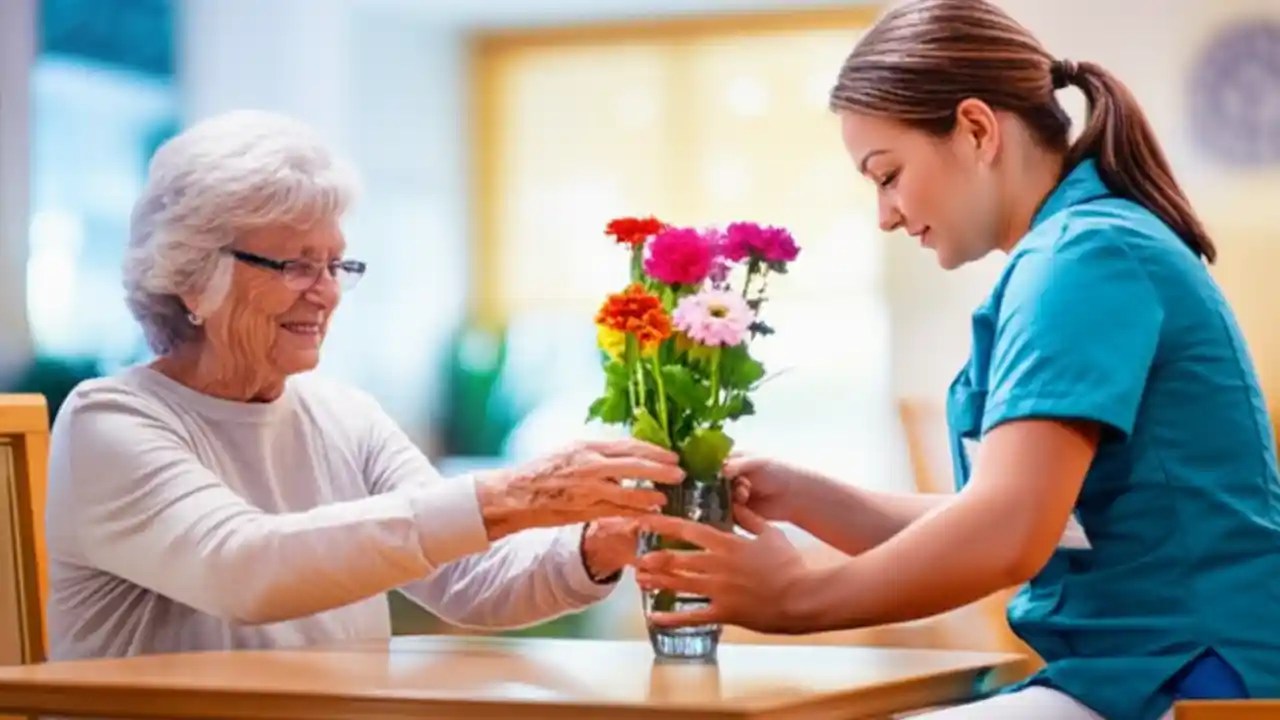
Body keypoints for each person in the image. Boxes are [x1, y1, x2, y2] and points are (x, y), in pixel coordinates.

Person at [633, 1, 1280, 718]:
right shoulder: (1083, 247)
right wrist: (808, 497)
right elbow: (1014, 517)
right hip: (1147, 666)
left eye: (887, 174)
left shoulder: (1084, 258)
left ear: (976, 129)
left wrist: (795, 598)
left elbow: (1007, 533)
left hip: (1192, 673)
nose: (885, 214)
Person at [44, 109, 684, 661]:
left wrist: (601, 542)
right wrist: (512, 494)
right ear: (190, 277)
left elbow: (467, 576)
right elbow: (243, 569)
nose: (324, 293)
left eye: (335, 263)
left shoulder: (343, 416)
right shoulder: (111, 420)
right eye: (295, 264)